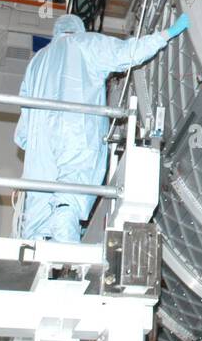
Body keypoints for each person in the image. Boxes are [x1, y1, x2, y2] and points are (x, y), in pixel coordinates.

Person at [14, 12, 188, 242]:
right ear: (78, 29)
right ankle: (66, 256)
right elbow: (126, 53)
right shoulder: (85, 43)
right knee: (68, 201)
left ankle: (34, 249)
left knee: (39, 206)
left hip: (40, 143)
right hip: (76, 131)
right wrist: (167, 34)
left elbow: (24, 118)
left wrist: (30, 141)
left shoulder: (37, 60)